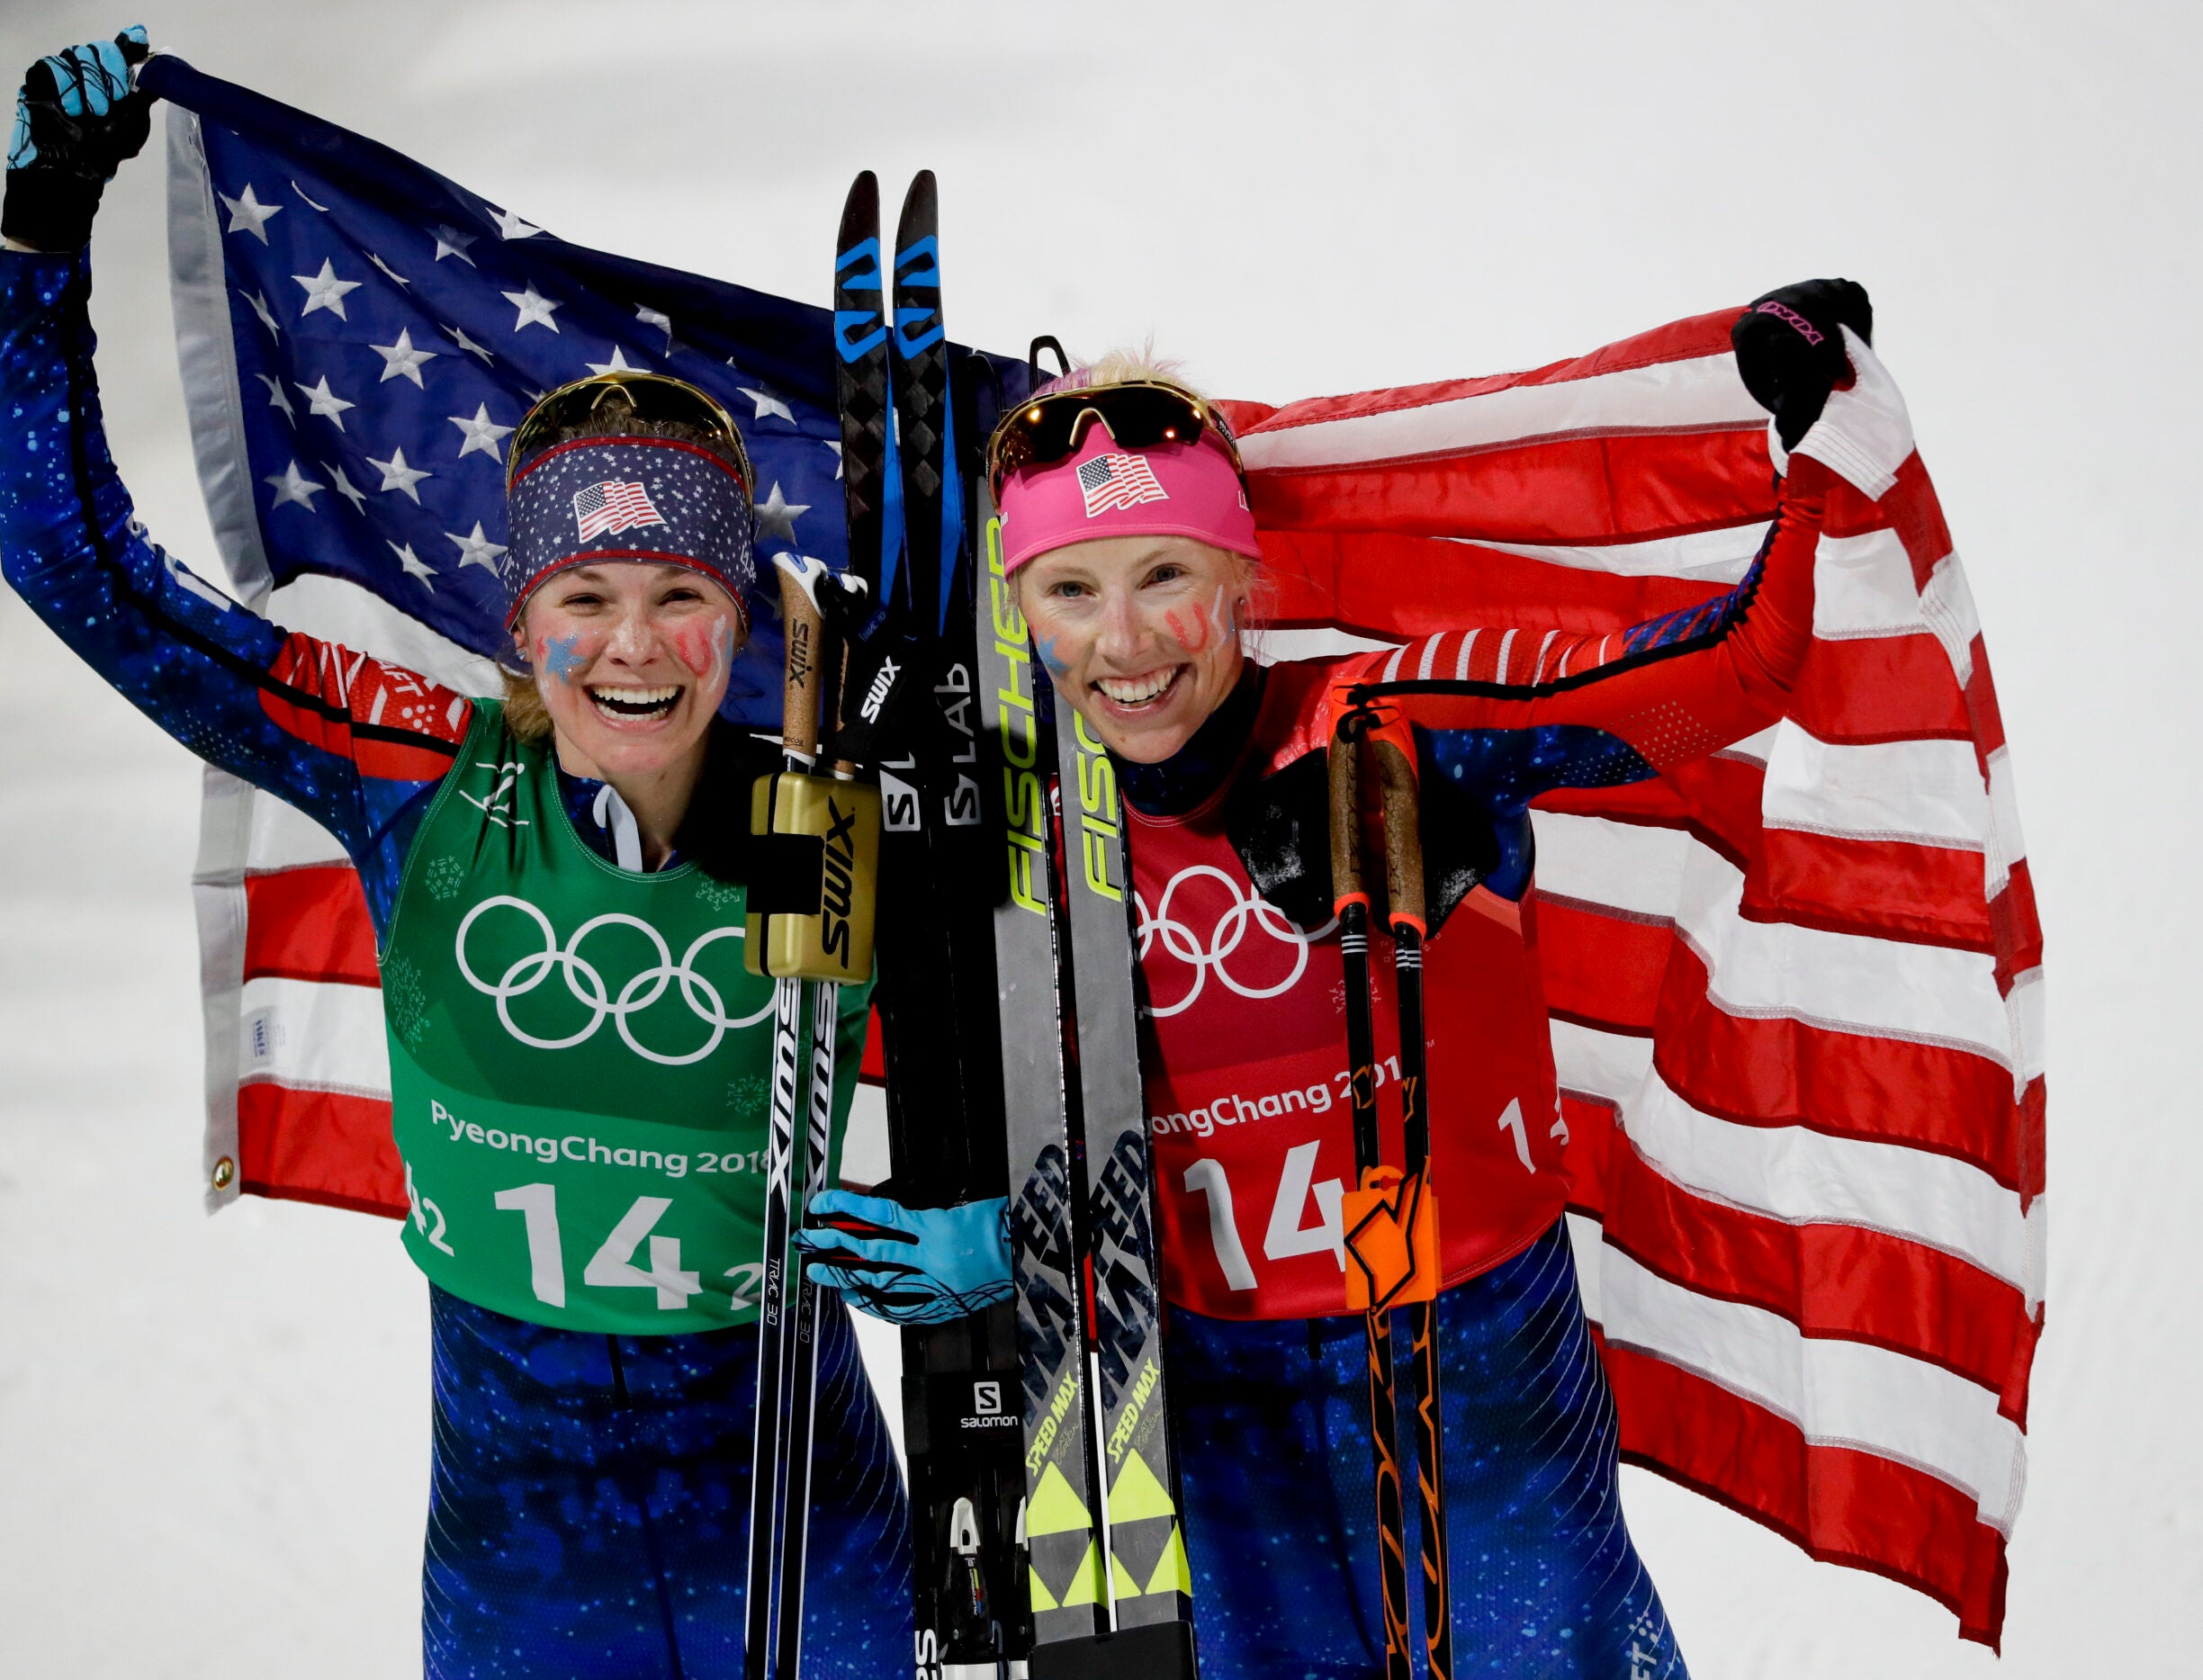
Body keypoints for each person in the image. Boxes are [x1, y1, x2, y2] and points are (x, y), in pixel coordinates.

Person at [802, 288, 1900, 1674]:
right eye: (1073, 591)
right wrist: (839, 768)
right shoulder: (1021, 828)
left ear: (1241, 578)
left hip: (1468, 1359)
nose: (1128, 642)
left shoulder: (1390, 728)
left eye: (1166, 578)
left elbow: (1735, 675)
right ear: (1020, 614)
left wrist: (1827, 440)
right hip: (1205, 1395)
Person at [0, 31, 906, 1678]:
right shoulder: (417, 781)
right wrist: (38, 252)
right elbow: (78, 572)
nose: (636, 648)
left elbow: (1079, 1025)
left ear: (740, 620)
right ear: (520, 626)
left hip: (808, 1539)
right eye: (586, 603)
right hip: (524, 1574)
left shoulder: (822, 807)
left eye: (681, 597)